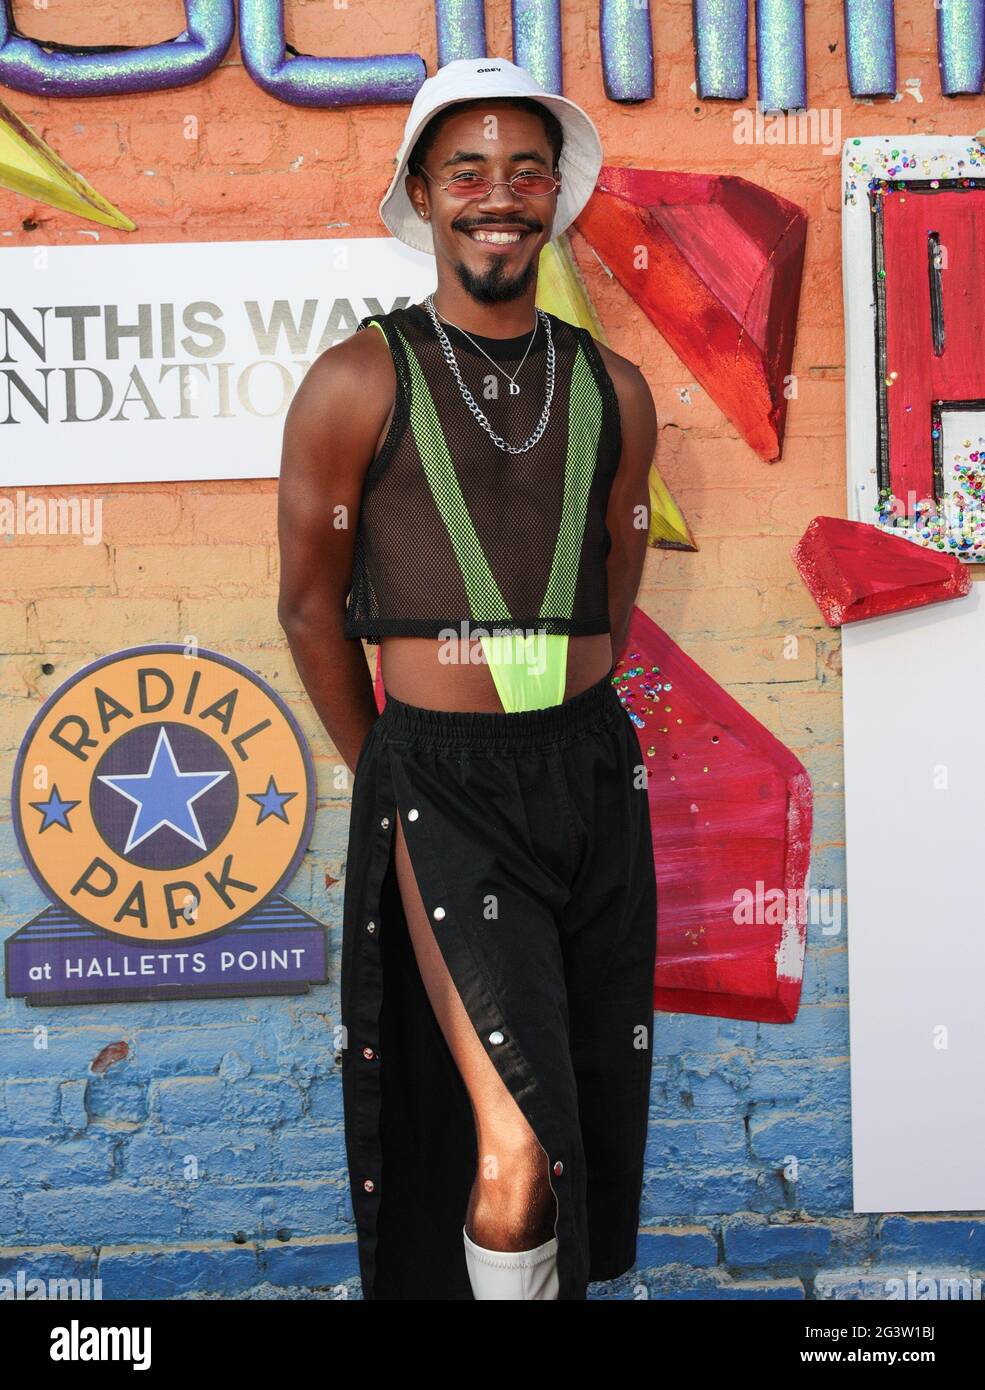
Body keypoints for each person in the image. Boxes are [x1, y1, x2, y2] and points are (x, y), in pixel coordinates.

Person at [277, 56, 658, 1301]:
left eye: (527, 170)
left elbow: (614, 581)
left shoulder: (615, 388)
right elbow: (307, 607)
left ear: (556, 195)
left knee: (582, 1107)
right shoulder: (355, 378)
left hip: (588, 770)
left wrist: (560, 709)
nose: (501, 195)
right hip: (441, 787)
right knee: (512, 1139)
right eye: (468, 172)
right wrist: (391, 771)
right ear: (424, 197)